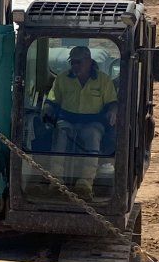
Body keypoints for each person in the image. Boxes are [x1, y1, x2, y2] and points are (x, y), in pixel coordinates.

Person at [42, 45, 119, 197]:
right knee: (60, 135)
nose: (75, 66)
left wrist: (113, 111)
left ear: (89, 61)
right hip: (67, 119)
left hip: (92, 122)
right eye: (73, 62)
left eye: (79, 62)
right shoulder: (62, 79)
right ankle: (56, 180)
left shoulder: (103, 81)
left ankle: (85, 183)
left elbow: (112, 102)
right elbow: (52, 99)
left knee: (93, 136)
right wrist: (47, 109)